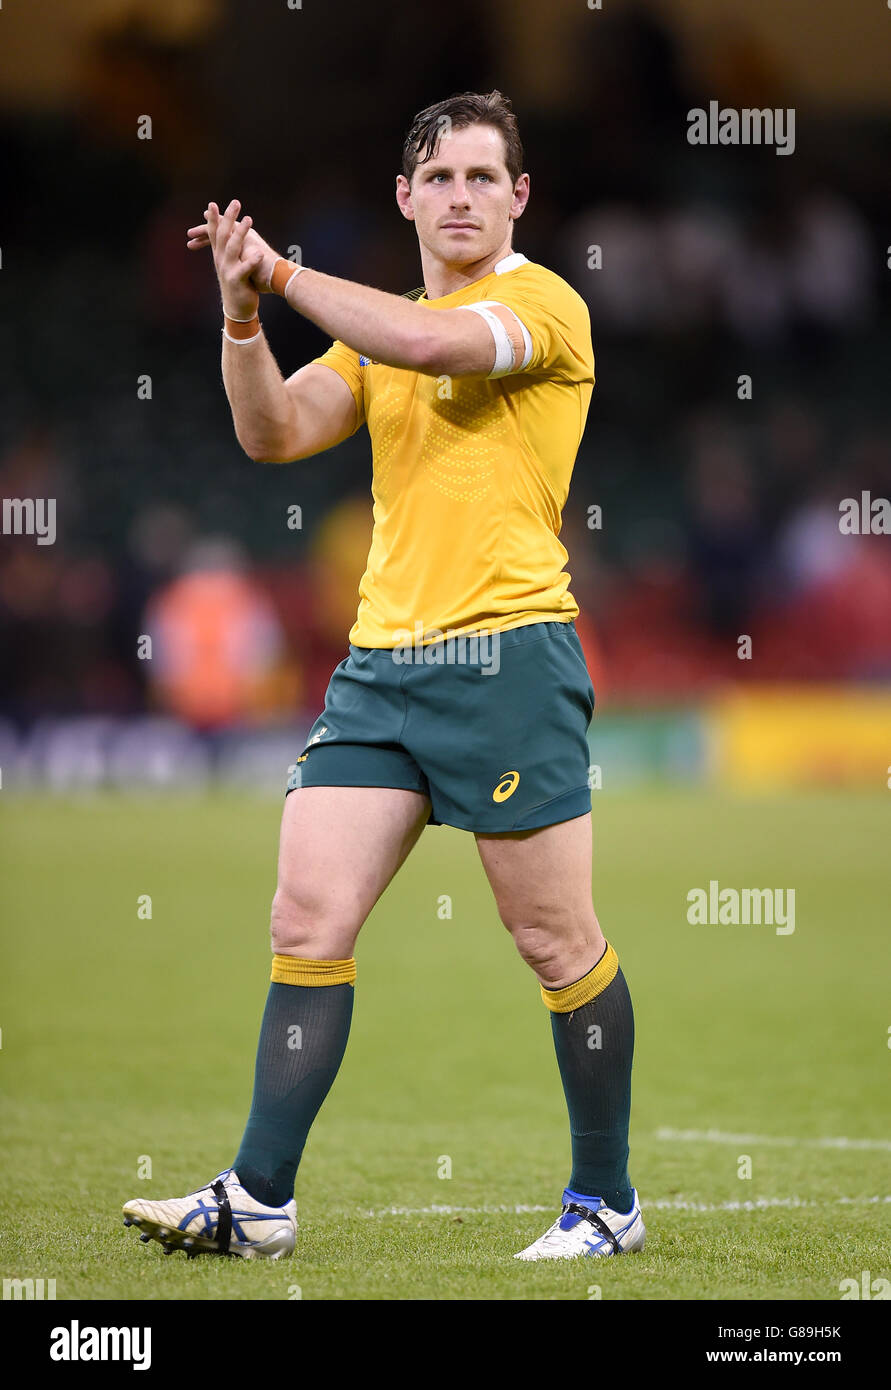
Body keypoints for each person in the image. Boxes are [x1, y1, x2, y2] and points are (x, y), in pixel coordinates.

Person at [122, 90, 644, 1263]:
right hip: (381, 670)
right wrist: (244, 315)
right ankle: (259, 1199)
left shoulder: (541, 305)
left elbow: (428, 343)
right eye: (438, 178)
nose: (460, 196)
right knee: (307, 917)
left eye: (481, 177)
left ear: (518, 197)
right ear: (404, 197)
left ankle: (606, 1200)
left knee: (555, 943)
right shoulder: (372, 325)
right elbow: (274, 433)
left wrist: (289, 271)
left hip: (508, 657)